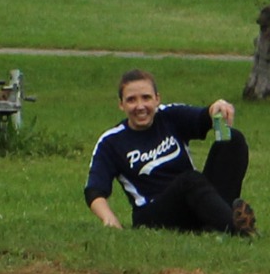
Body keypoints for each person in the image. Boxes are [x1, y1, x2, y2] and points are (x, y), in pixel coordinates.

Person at [85, 69, 254, 236]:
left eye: (146, 98)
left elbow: (203, 118)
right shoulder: (111, 141)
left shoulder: (169, 116)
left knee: (233, 140)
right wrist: (110, 219)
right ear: (121, 104)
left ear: (157, 99)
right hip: (153, 213)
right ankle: (234, 227)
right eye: (131, 100)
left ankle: (218, 221)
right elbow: (94, 190)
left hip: (194, 198)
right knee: (189, 179)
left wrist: (216, 108)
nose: (140, 106)